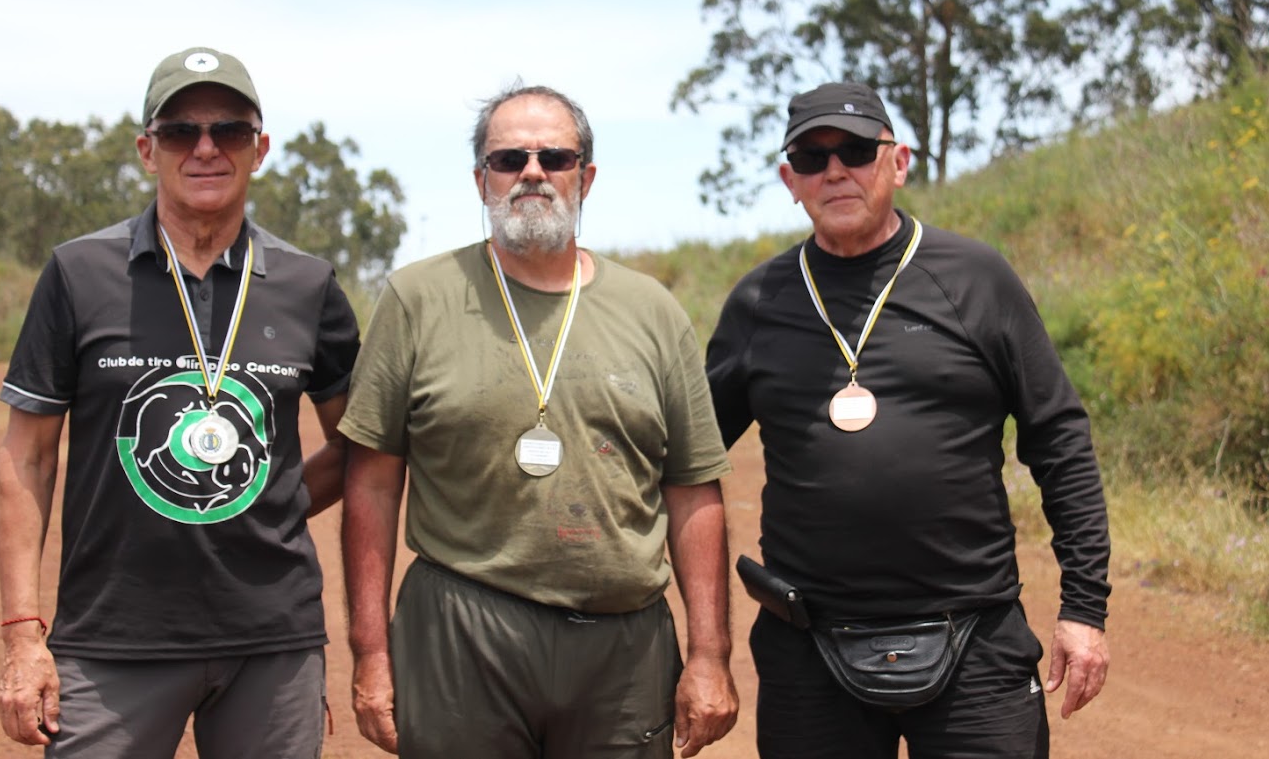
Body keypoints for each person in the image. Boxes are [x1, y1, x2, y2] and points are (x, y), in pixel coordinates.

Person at [706, 82, 1111, 758]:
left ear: (897, 162)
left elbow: (1059, 437)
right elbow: (688, 456)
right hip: (807, 646)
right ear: (789, 180)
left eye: (856, 149)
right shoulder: (759, 300)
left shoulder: (975, 278)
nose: (834, 169)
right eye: (810, 157)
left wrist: (1084, 609)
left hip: (974, 640)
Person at [339, 83, 739, 759]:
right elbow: (372, 482)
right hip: (462, 633)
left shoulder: (652, 311)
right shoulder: (417, 298)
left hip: (622, 649)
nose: (531, 171)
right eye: (507, 158)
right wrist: (371, 651)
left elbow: (693, 488)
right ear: (479, 179)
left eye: (554, 156)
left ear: (585, 176)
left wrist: (709, 652)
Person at [0, 46, 360, 758]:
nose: (204, 148)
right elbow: (26, 456)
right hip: (111, 639)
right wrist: (21, 634)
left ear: (259, 148)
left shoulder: (308, 285)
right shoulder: (78, 272)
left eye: (228, 130)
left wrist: (265, 495)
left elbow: (359, 445)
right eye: (178, 131)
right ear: (145, 148)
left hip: (271, 641)